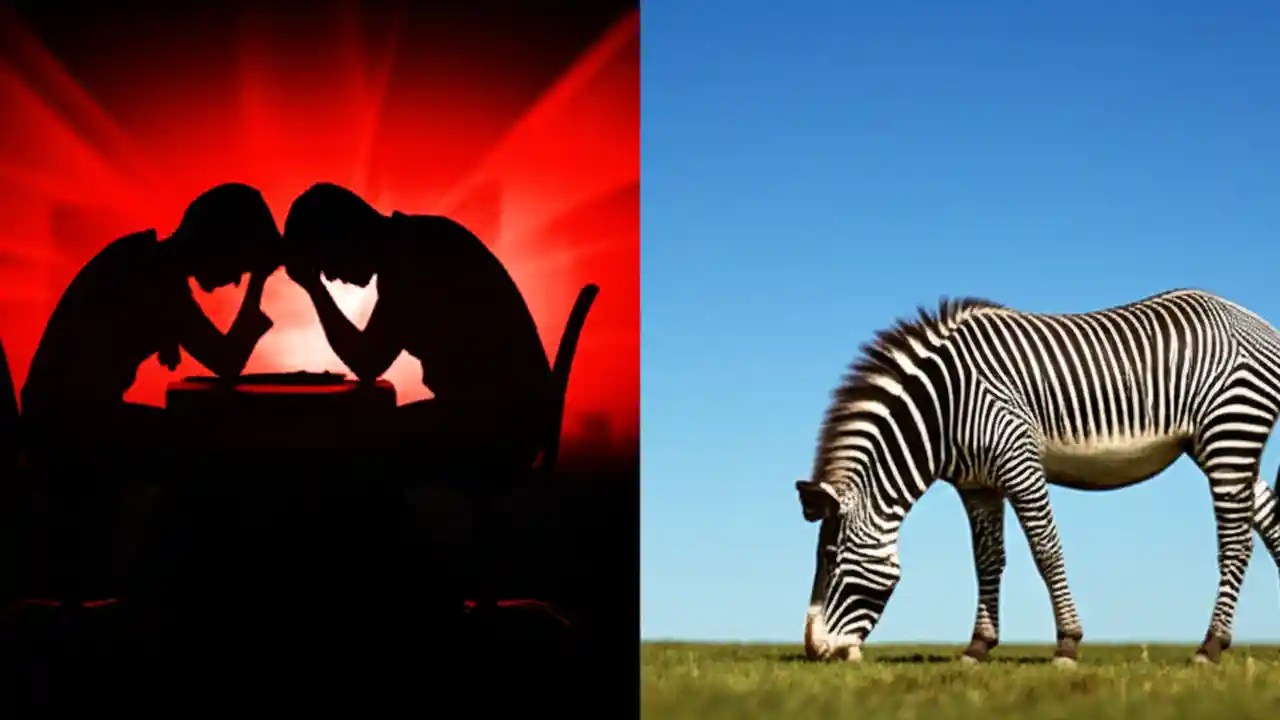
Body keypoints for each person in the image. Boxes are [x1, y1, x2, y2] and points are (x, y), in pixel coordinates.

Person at [281, 182, 552, 468]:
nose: (331, 276)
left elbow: (366, 361)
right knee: (368, 442)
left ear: (341, 238)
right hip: (506, 414)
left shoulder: (407, 261)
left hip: (499, 423)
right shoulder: (415, 240)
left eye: (325, 263)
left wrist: (314, 288)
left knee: (356, 448)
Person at [22, 182, 281, 463]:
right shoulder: (161, 282)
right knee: (208, 444)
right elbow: (226, 361)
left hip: (57, 417)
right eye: (239, 265)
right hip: (67, 427)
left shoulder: (140, 257)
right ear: (221, 244)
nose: (235, 280)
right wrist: (258, 281)